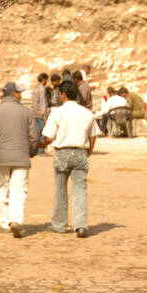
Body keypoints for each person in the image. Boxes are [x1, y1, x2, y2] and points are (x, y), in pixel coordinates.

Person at [0, 81, 39, 237]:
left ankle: (4, 222)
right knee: (19, 190)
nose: (21, 95)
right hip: (22, 157)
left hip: (1, 157)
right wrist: (32, 152)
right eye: (19, 92)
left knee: (2, 189)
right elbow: (34, 137)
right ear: (13, 93)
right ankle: (16, 220)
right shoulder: (27, 112)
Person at [41, 82, 97, 237]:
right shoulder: (87, 113)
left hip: (62, 153)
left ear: (63, 94)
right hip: (80, 152)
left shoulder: (57, 112)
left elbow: (49, 137)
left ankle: (59, 225)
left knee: (60, 191)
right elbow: (93, 137)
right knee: (80, 190)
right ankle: (81, 225)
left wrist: (41, 143)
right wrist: (88, 153)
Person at [31, 71, 49, 149]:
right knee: (42, 131)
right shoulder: (42, 89)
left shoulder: (36, 88)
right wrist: (45, 115)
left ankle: (36, 148)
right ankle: (40, 149)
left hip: (35, 112)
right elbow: (43, 103)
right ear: (44, 80)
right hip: (40, 113)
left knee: (37, 131)